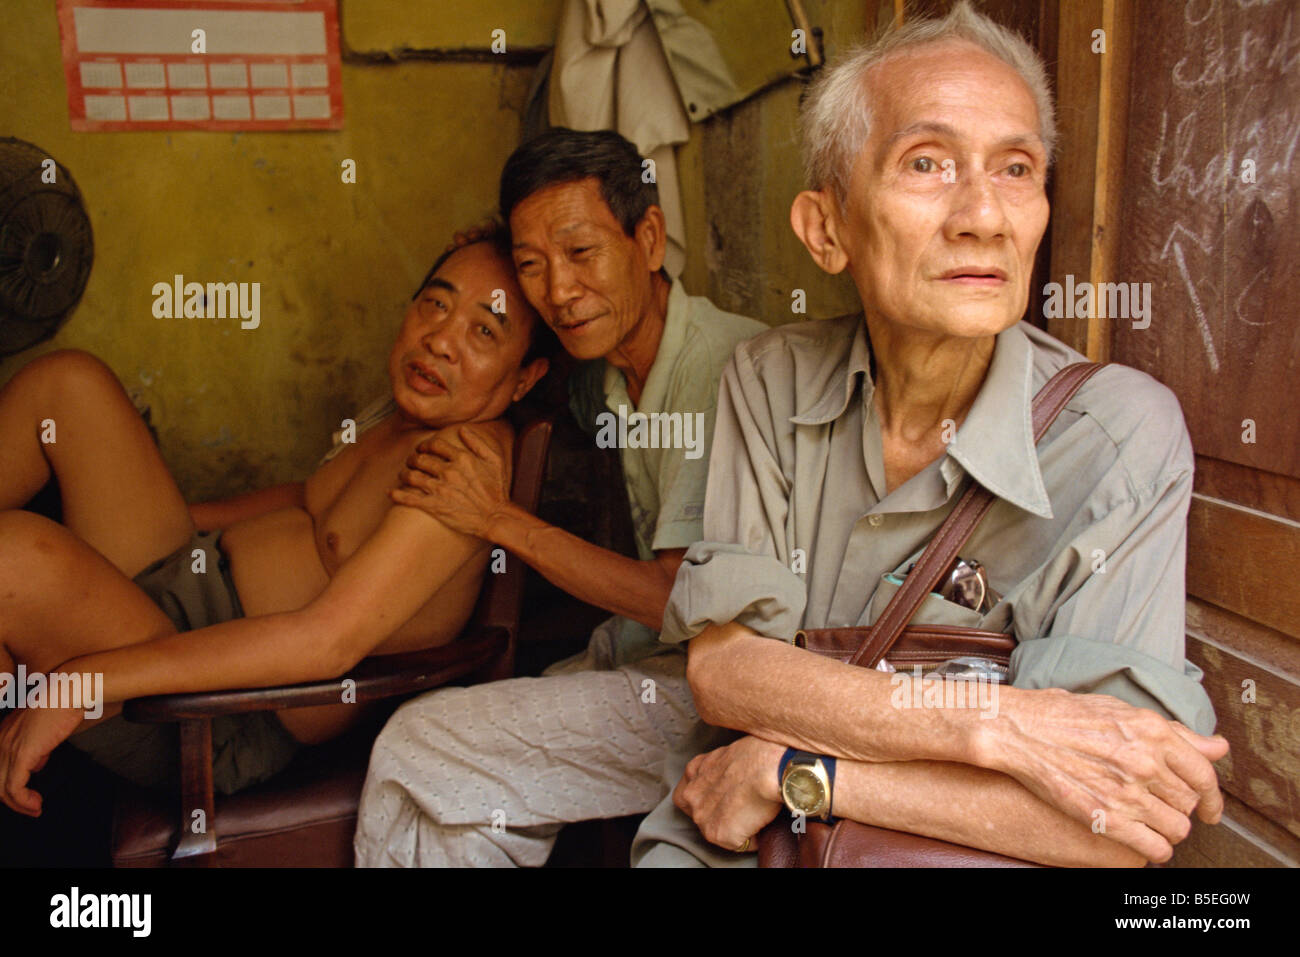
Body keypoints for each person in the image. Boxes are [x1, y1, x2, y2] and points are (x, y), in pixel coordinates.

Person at [631, 1, 1229, 868]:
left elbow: (1116, 819)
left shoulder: (1120, 435)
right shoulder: (767, 379)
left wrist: (802, 768)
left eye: (1016, 168)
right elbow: (725, 673)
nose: (984, 215)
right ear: (826, 229)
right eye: (926, 162)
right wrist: (1008, 724)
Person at [0, 230, 551, 813]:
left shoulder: (460, 468)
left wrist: (80, 683)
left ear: (524, 377)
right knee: (66, 385)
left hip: (217, 708)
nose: (440, 339)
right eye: (436, 304)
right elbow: (311, 503)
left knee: (12, 556)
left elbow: (326, 644)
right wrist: (138, 509)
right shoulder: (405, 414)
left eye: (484, 331)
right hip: (182, 590)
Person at [352, 128, 766, 867]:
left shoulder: (718, 368)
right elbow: (518, 352)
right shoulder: (604, 367)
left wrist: (498, 519)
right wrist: (490, 260)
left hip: (727, 694)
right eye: (532, 266)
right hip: (639, 660)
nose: (560, 292)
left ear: (648, 236)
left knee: (421, 743)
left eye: (580, 253)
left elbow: (675, 596)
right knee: (456, 811)